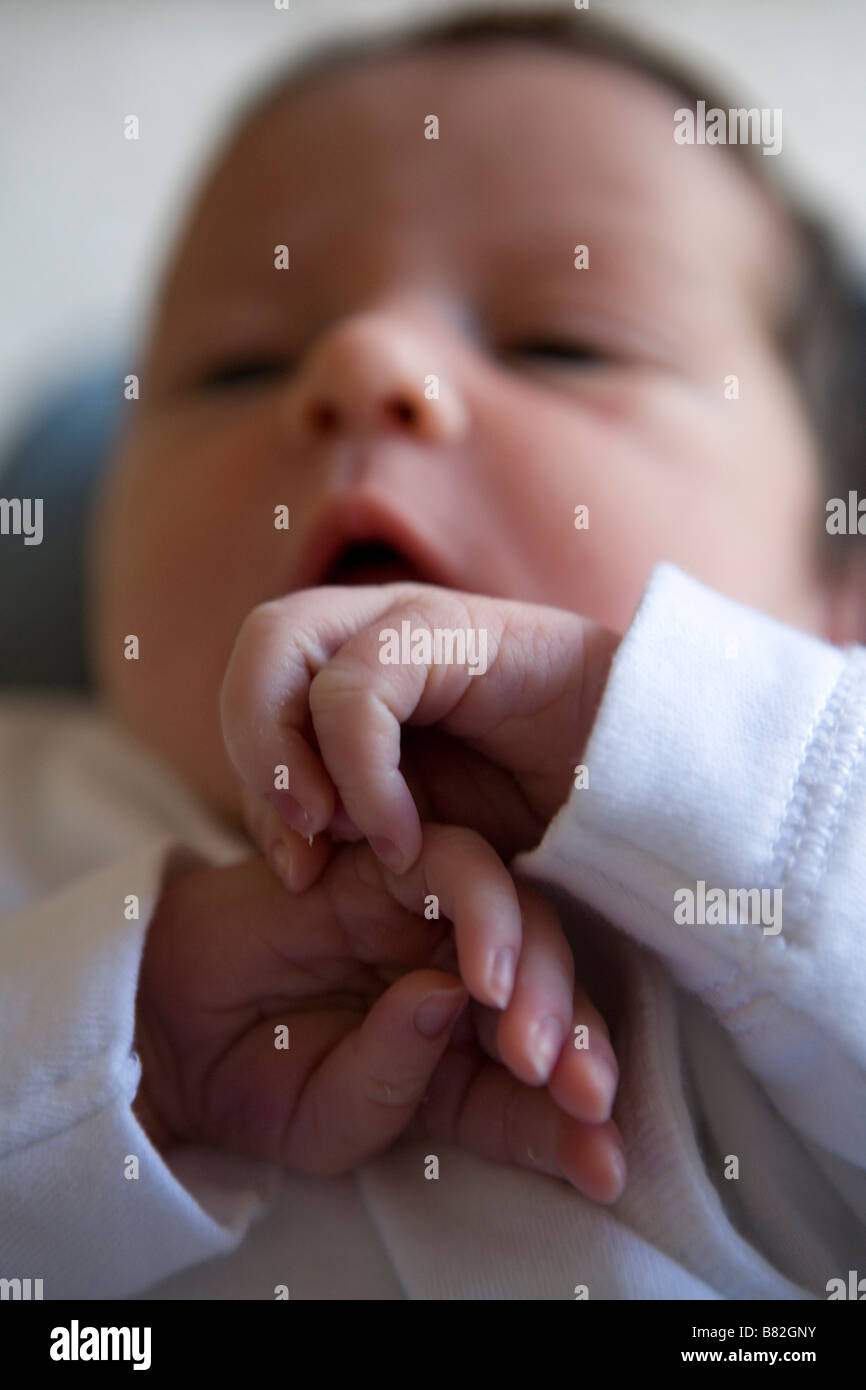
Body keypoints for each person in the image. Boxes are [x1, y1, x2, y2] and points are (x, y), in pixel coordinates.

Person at [2, 6, 865, 1300]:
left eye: (557, 343)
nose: (363, 362)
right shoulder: (28, 797)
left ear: (834, 598)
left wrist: (640, 729)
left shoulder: (810, 855)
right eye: (238, 366)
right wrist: (124, 1039)